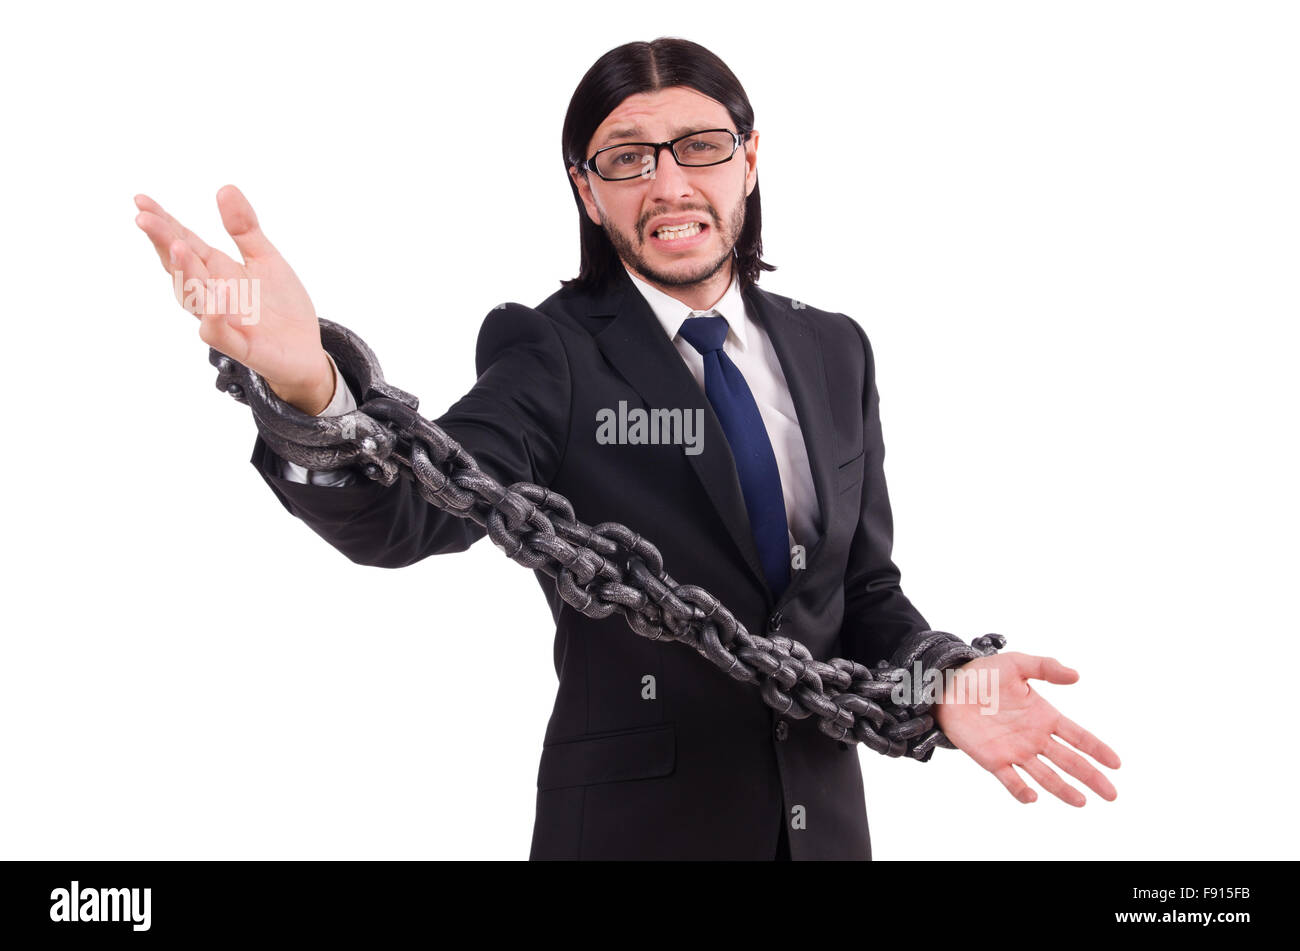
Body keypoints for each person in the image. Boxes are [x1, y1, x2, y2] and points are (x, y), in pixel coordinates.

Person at [135, 37, 1120, 860]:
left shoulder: (834, 350)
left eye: (699, 146)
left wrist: (937, 685)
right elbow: (410, 512)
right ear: (586, 190)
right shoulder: (551, 352)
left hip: (822, 837)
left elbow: (861, 601)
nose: (669, 182)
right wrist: (309, 383)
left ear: (749, 158)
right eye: (626, 158)